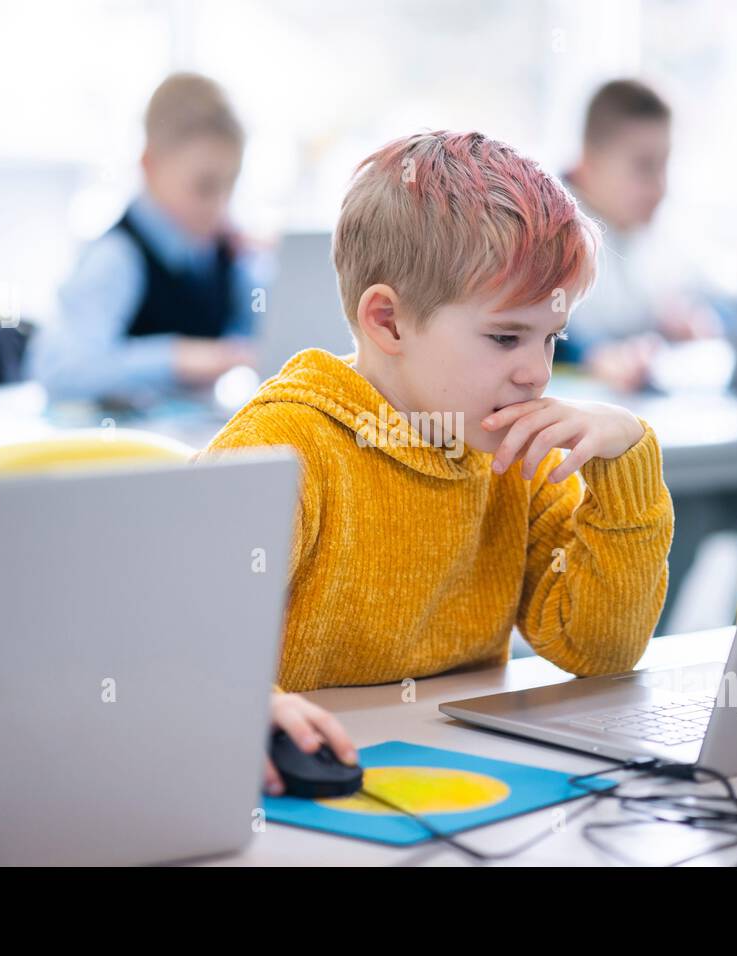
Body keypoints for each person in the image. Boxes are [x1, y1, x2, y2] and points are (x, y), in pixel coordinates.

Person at [197, 131, 674, 795]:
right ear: (388, 322)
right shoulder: (284, 450)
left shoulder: (513, 453)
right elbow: (174, 636)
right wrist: (240, 703)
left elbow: (600, 650)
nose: (536, 373)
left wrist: (626, 462)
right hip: (281, 800)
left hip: (447, 779)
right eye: (506, 337)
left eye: (551, 338)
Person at [27, 73, 257, 404]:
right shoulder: (116, 256)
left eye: (230, 184)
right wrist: (179, 358)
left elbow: (255, 344)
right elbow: (60, 369)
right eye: (204, 187)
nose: (220, 206)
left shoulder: (224, 254)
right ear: (149, 165)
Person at [559, 78, 721, 392]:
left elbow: (716, 291)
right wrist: (591, 357)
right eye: (645, 167)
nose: (661, 188)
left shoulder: (651, 229)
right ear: (588, 162)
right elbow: (526, 325)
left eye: (664, 164)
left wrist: (691, 319)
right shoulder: (540, 229)